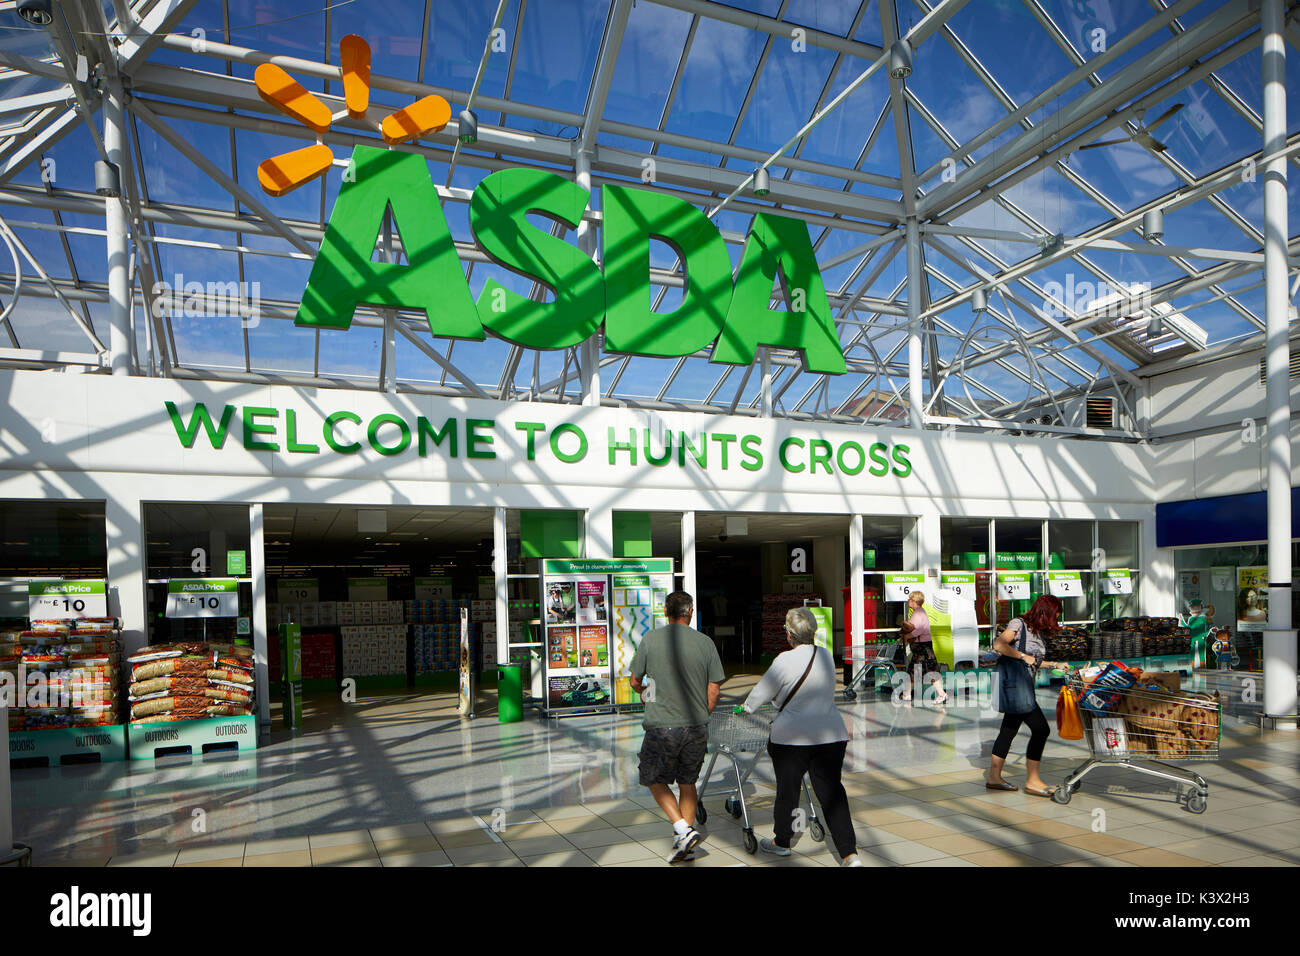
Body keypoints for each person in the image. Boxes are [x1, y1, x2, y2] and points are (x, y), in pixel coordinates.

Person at [742, 607, 862, 867]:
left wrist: (745, 707)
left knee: (788, 791)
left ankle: (782, 842)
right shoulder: (827, 656)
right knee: (832, 793)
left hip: (791, 739)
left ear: (789, 634)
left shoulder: (784, 660)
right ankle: (849, 854)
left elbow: (759, 696)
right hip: (831, 735)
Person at [628, 590, 724, 863]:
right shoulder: (705, 643)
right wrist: (700, 714)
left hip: (662, 727)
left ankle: (682, 828)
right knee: (687, 782)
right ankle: (686, 845)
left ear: (666, 612)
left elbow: (635, 681)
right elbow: (714, 689)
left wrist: (649, 697)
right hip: (696, 726)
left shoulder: (651, 639)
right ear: (690, 611)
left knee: (653, 778)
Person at [985, 594, 1069, 796]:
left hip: (1021, 685)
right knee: (1041, 729)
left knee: (1009, 728)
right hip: (1016, 686)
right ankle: (1032, 780)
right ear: (1045, 612)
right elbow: (999, 645)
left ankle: (994, 777)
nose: (1055, 620)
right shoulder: (1019, 623)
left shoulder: (1037, 632)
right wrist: (1023, 656)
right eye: (1055, 615)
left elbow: (1033, 661)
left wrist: (1054, 665)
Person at [902, 590, 947, 704]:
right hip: (923, 647)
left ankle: (941, 694)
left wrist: (907, 635)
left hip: (922, 648)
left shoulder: (918, 614)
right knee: (917, 670)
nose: (908, 601)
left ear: (914, 601)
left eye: (910, 599)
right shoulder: (920, 612)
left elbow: (919, 629)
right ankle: (907, 694)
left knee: (922, 670)